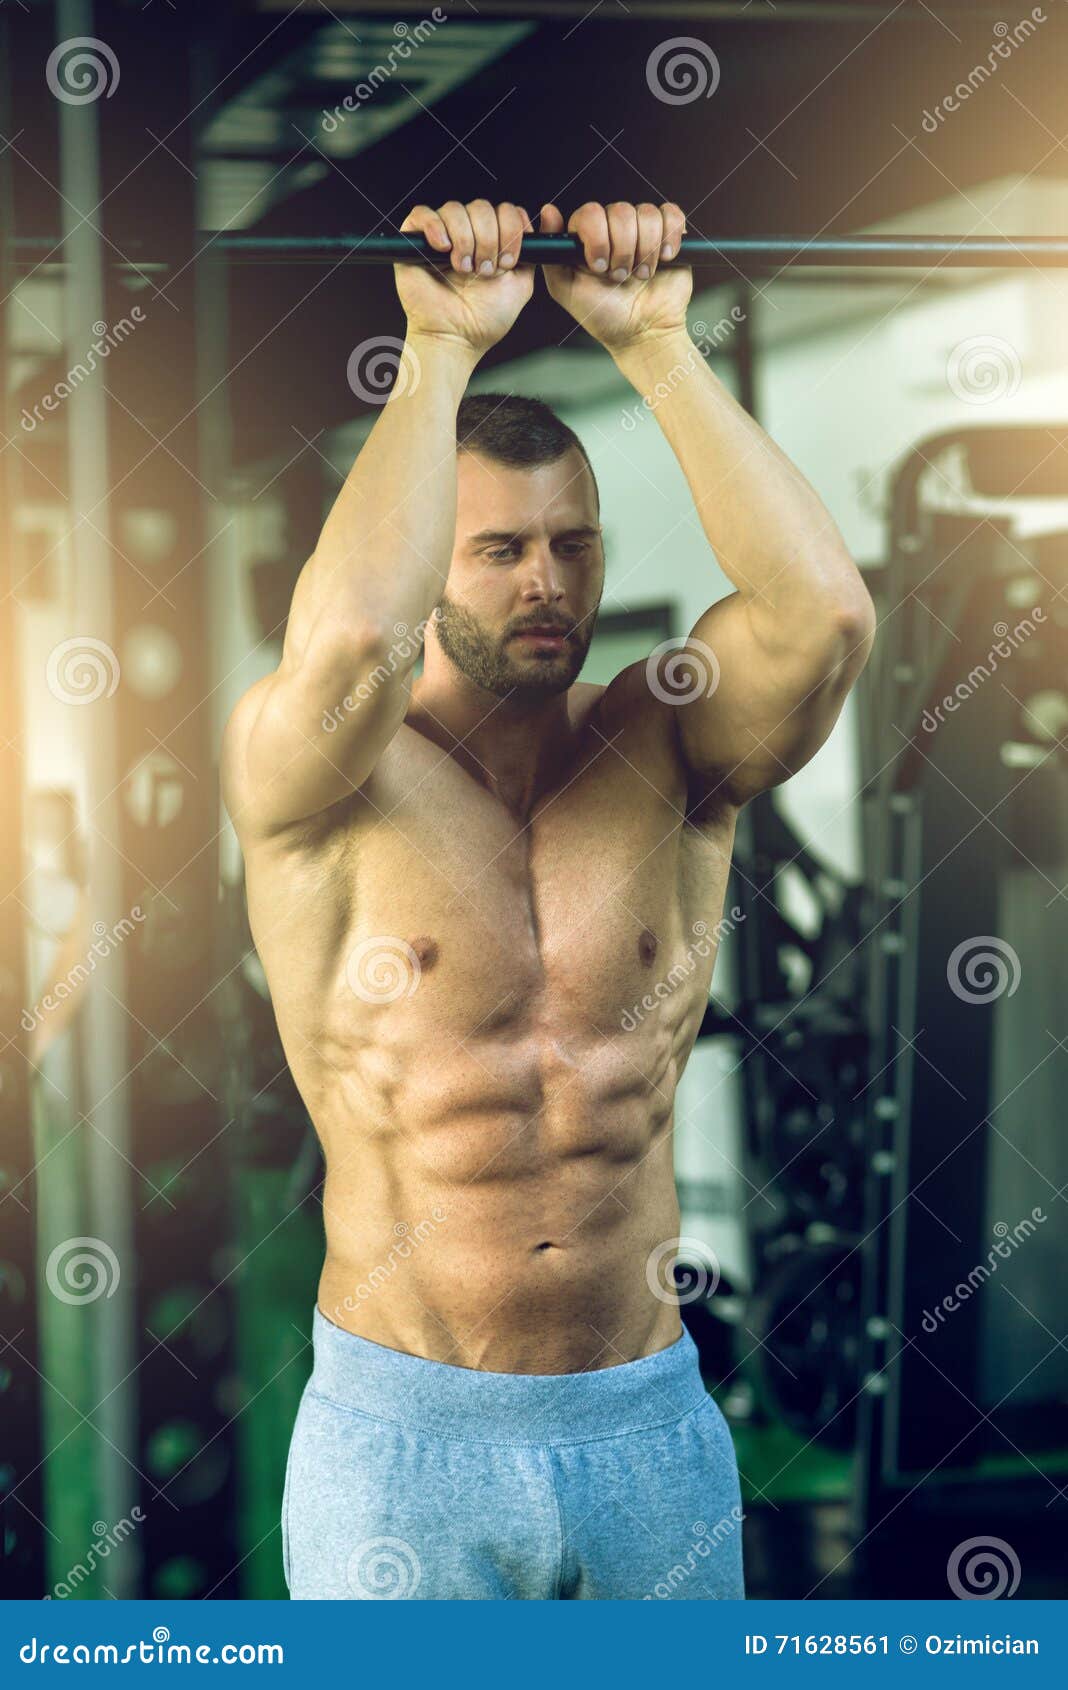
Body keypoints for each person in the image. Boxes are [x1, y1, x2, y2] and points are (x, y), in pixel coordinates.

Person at [221, 199, 876, 1600]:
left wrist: (656, 349)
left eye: (572, 545)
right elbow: (348, 640)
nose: (547, 580)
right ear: (432, 559)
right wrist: (440, 351)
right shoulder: (322, 775)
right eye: (500, 547)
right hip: (407, 1438)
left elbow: (824, 616)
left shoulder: (669, 741)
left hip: (647, 1424)